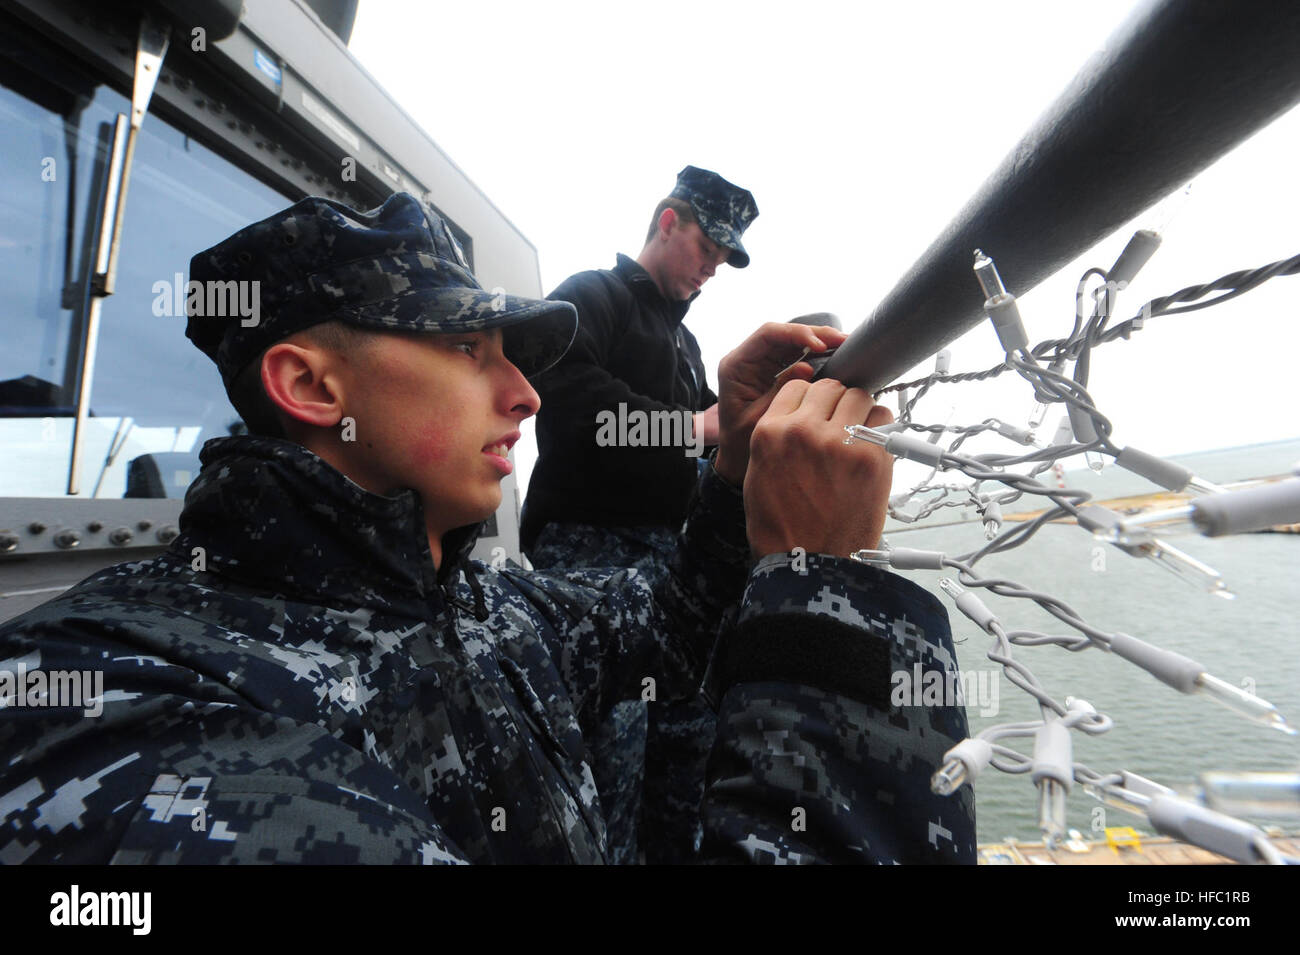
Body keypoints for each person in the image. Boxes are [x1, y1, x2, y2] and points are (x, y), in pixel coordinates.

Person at [0, 192, 975, 864]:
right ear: (307, 385)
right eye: (471, 350)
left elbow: (669, 630)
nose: (522, 393)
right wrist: (829, 589)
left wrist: (731, 476)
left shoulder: (485, 600)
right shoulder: (108, 693)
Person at [521, 166, 758, 862]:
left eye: (723, 259)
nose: (712, 268)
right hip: (589, 561)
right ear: (667, 221)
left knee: (687, 744)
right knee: (610, 755)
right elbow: (565, 397)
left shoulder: (687, 347)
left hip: (671, 573)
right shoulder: (593, 295)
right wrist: (698, 429)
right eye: (706, 247)